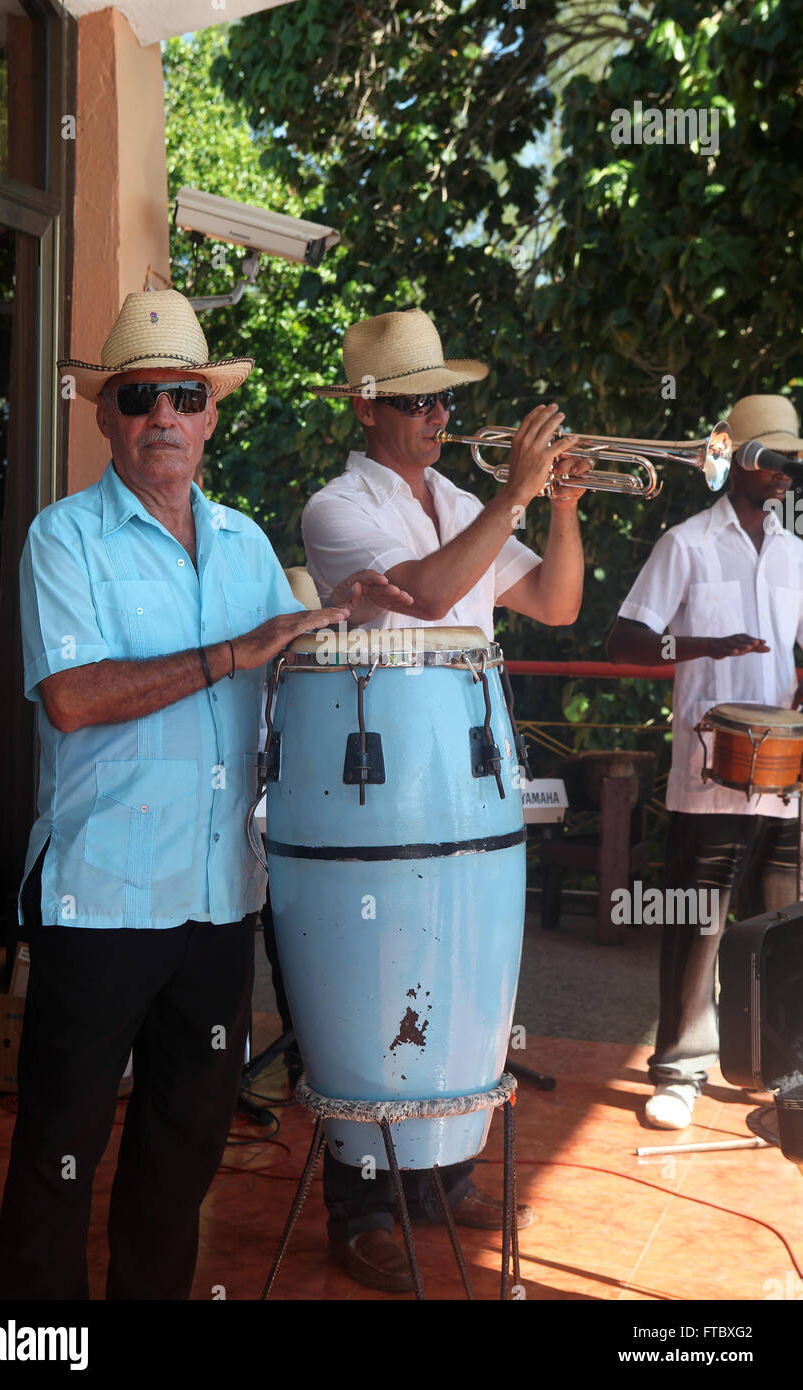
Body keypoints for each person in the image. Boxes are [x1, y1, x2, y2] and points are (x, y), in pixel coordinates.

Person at [0, 289, 411, 1301]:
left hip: (219, 900)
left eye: (183, 395)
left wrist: (341, 619)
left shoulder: (243, 544)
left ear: (211, 412)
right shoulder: (63, 539)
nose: (162, 417)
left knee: (180, 1159)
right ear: (105, 414)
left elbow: (293, 668)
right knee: (58, 1156)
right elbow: (74, 699)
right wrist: (238, 648)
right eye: (139, 399)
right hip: (101, 900)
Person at [300, 306, 590, 1292]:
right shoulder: (336, 508)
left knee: (455, 955)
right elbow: (423, 595)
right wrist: (508, 496)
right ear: (371, 409)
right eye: (419, 399)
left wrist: (554, 504)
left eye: (443, 398)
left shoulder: (462, 497)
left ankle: (439, 1174)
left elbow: (554, 603)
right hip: (375, 770)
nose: (438, 414)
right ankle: (361, 1204)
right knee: (372, 968)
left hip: (462, 766)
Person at [606, 394, 803, 1131]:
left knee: (780, 930)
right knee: (696, 927)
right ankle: (679, 1070)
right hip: (707, 775)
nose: (787, 474)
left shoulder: (796, 555)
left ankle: (782, 1072)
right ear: (744, 459)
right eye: (776, 458)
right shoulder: (685, 544)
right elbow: (625, 644)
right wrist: (704, 647)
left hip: (785, 781)